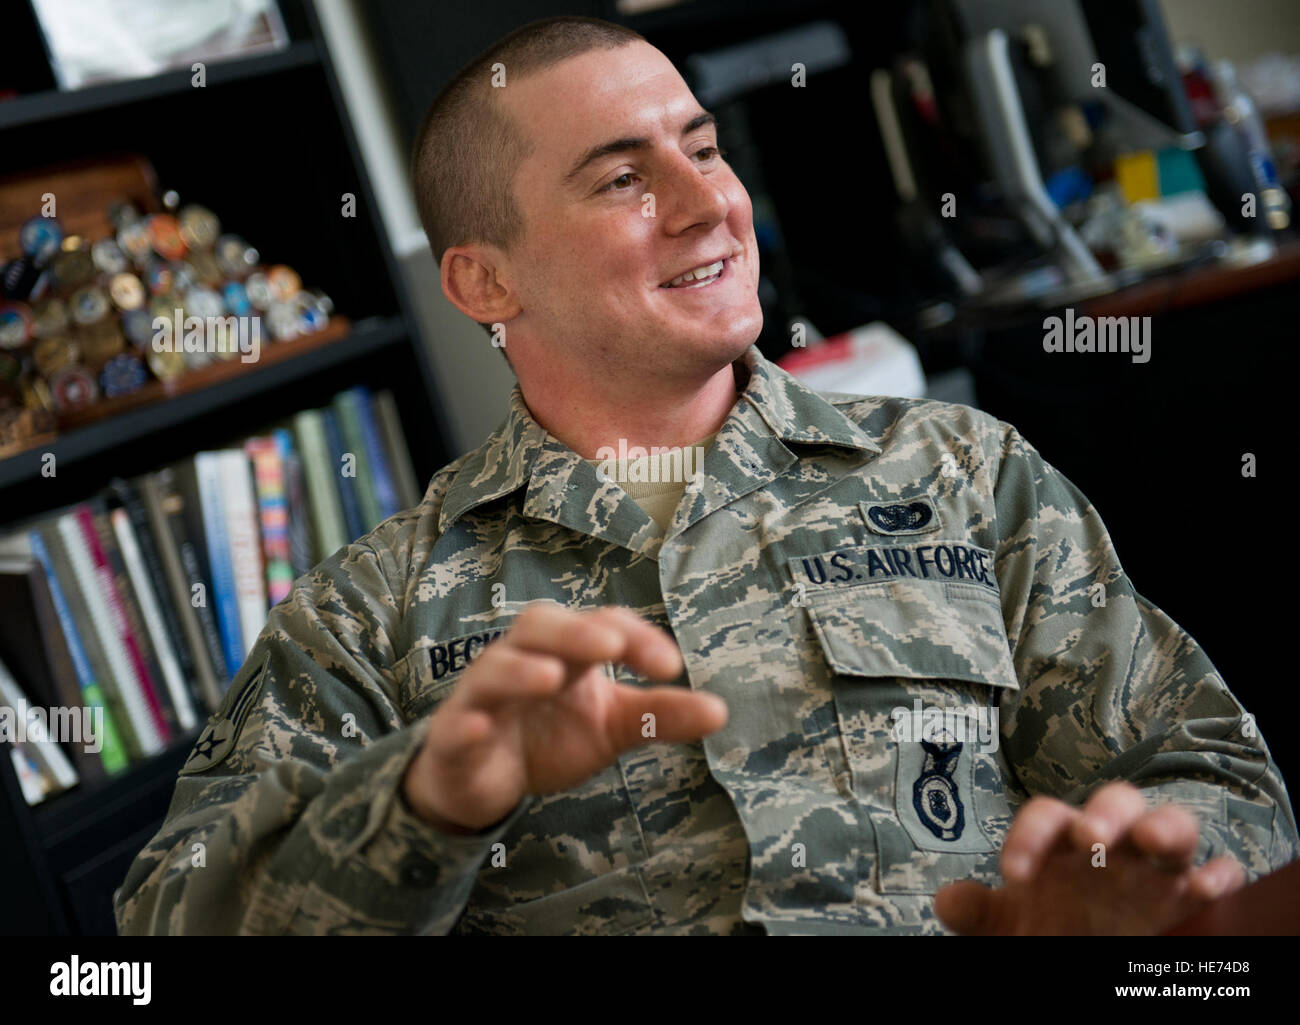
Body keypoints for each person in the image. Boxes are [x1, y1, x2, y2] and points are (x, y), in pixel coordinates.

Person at [114, 16, 1297, 936]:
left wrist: (1131, 884)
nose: (709, 205)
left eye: (702, 147)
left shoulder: (958, 469)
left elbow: (1215, 774)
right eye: (622, 178)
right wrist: (425, 802)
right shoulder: (371, 609)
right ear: (482, 283)